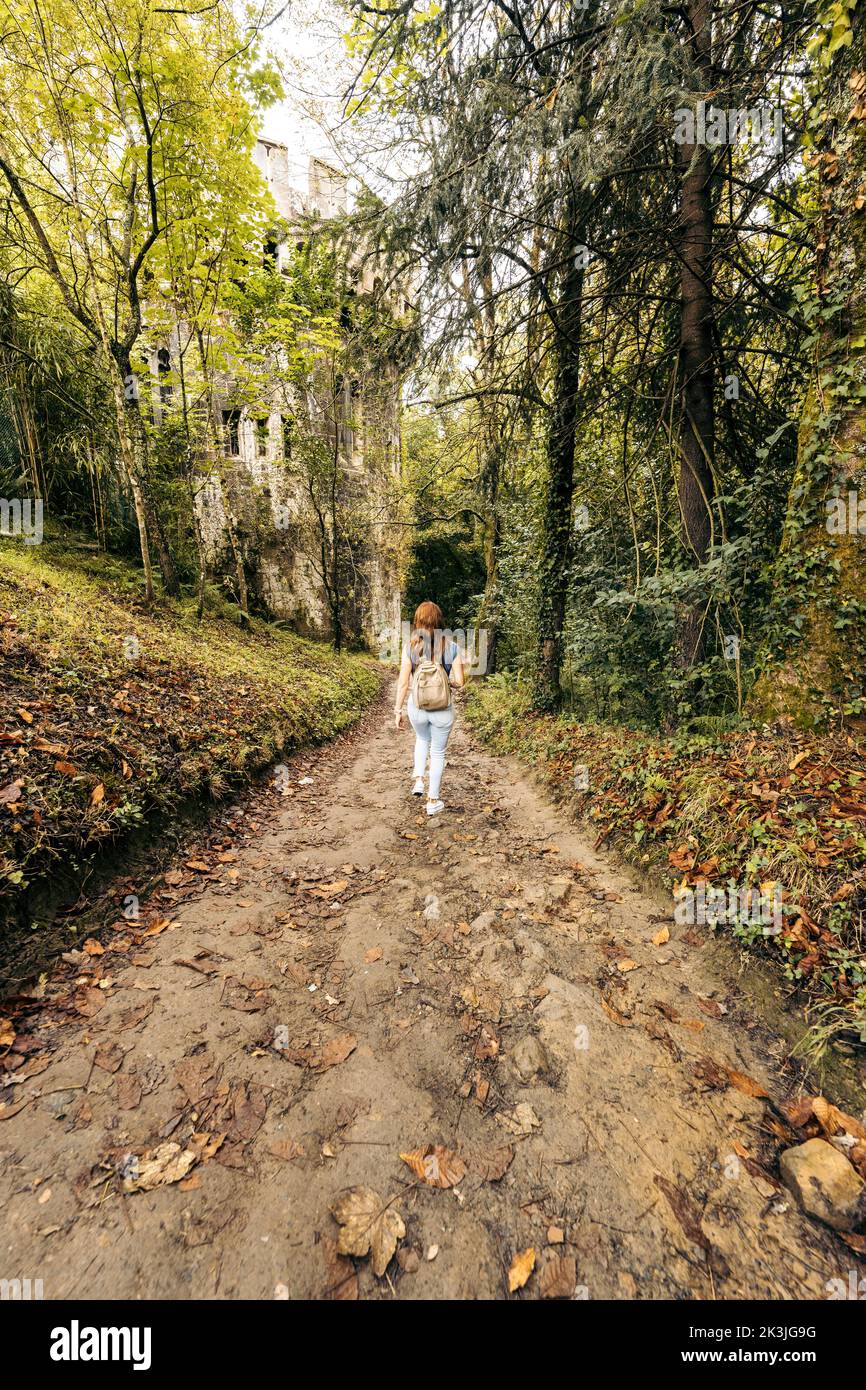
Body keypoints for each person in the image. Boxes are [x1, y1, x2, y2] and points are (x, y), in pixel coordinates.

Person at [394, 601, 464, 816]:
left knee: (422, 739)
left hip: (418, 707)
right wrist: (446, 682)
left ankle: (418, 781)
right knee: (438, 752)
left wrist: (398, 710)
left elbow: (404, 682)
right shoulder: (452, 648)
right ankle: (433, 801)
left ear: (418, 621)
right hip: (442, 709)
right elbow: (460, 682)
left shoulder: (410, 647)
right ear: (439, 621)